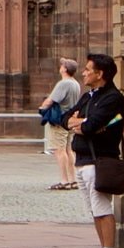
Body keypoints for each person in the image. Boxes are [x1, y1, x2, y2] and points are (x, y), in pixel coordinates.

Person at [67, 53, 124, 248]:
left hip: (99, 158)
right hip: (83, 158)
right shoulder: (89, 96)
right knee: (94, 209)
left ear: (99, 74)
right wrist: (78, 122)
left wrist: (82, 123)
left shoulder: (112, 98)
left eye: (87, 69)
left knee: (102, 207)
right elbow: (65, 118)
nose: (83, 72)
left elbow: (92, 125)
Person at [42, 57, 84, 190]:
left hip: (58, 120)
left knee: (59, 150)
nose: (60, 67)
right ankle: (73, 180)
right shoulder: (75, 83)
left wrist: (42, 109)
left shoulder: (63, 83)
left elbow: (51, 100)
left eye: (62, 65)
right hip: (69, 119)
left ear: (65, 69)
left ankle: (64, 181)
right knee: (68, 150)